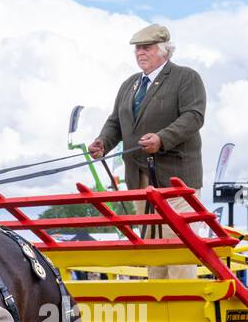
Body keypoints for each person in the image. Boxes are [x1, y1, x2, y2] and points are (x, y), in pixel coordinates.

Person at [88, 23, 207, 280]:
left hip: (177, 179)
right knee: (153, 250)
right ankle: (159, 307)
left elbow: (194, 117)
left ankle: (183, 311)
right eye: (137, 49)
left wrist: (162, 139)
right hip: (140, 179)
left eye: (147, 47)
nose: (140, 53)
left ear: (164, 50)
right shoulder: (130, 84)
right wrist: (103, 142)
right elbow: (116, 122)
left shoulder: (186, 78)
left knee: (177, 246)